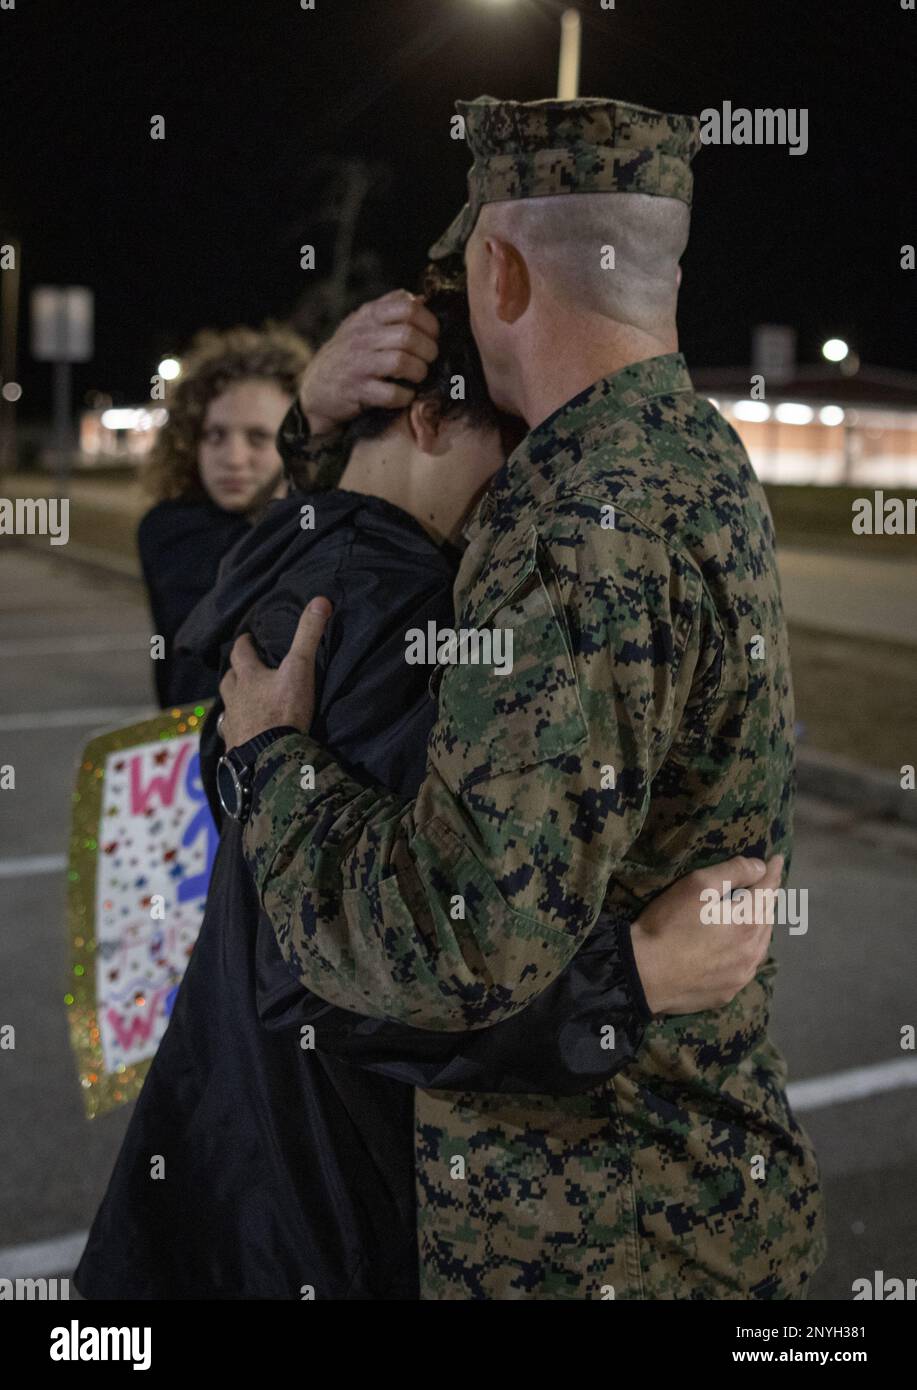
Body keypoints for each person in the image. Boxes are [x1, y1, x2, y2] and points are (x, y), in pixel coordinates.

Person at [219, 96, 826, 1300]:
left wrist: (271, 763)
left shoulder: (576, 525)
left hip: (599, 1232)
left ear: (497, 271)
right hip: (670, 1203)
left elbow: (456, 943)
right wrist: (309, 427)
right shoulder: (676, 449)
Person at [76, 282, 780, 1301]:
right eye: (510, 441)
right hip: (311, 1198)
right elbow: (329, 971)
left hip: (229, 1164)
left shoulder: (298, 553)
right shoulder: (397, 607)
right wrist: (628, 978)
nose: (526, 480)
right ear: (422, 418)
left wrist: (311, 417)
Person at [137, 323, 310, 707]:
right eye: (214, 435)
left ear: (299, 442)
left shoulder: (312, 525)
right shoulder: (171, 531)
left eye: (258, 437)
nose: (233, 459)